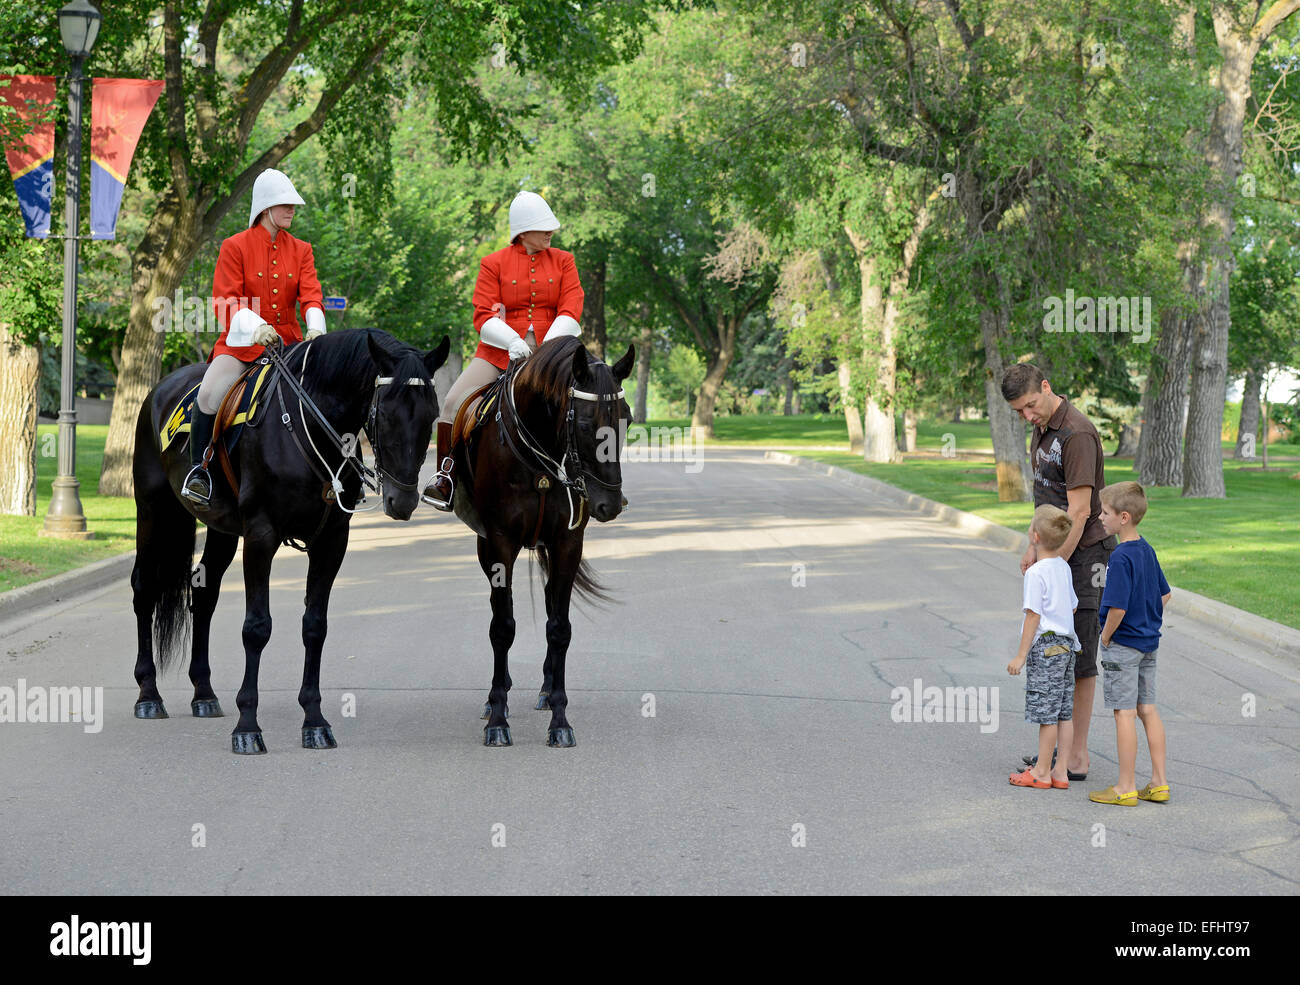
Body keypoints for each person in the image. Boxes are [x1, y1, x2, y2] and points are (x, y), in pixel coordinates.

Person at [423, 190, 584, 510]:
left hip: (553, 356)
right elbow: (483, 314)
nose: (551, 231)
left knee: (593, 400)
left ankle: (589, 478)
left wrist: (546, 350)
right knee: (453, 403)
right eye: (543, 226)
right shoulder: (493, 263)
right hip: (499, 353)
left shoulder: (565, 261)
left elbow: (571, 308)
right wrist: (512, 342)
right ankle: (445, 477)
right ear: (523, 230)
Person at [182, 169, 326, 508]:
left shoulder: (302, 250)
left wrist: (316, 327)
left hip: (289, 346)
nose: (292, 209)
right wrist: (255, 326)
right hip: (240, 344)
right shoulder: (235, 246)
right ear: (265, 207)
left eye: (293, 204)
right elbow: (225, 301)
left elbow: (312, 296)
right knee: (209, 394)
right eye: (284, 204)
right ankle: (199, 472)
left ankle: (334, 474)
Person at [1002, 364, 1116, 780]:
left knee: (1077, 658)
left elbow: (1080, 511)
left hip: (1085, 559)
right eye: (1020, 412)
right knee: (1055, 656)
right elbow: (1045, 499)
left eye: (1030, 405)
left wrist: (1053, 565)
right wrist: (1031, 543)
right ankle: (1056, 753)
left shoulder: (1077, 433)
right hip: (1057, 554)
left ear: (1046, 388)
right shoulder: (1043, 428)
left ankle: (1076, 757)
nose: (1027, 416)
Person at [1089, 481, 1172, 806]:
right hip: (1149, 643)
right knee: (1147, 710)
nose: (1100, 517)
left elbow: (1118, 607)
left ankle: (1125, 786)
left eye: (1105, 513)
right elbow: (1165, 594)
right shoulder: (1146, 550)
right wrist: (1146, 621)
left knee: (1123, 714)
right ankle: (1159, 782)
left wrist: (1106, 636)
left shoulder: (1121, 557)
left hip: (1123, 647)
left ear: (1124, 517)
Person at [1008, 505, 1079, 789]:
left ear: (1035, 537)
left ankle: (1040, 771)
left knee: (1046, 714)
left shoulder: (1035, 574)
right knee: (1064, 712)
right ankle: (1061, 771)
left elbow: (1033, 615)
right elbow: (1072, 607)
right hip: (1068, 645)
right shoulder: (1063, 567)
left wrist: (1021, 655)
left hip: (1046, 647)